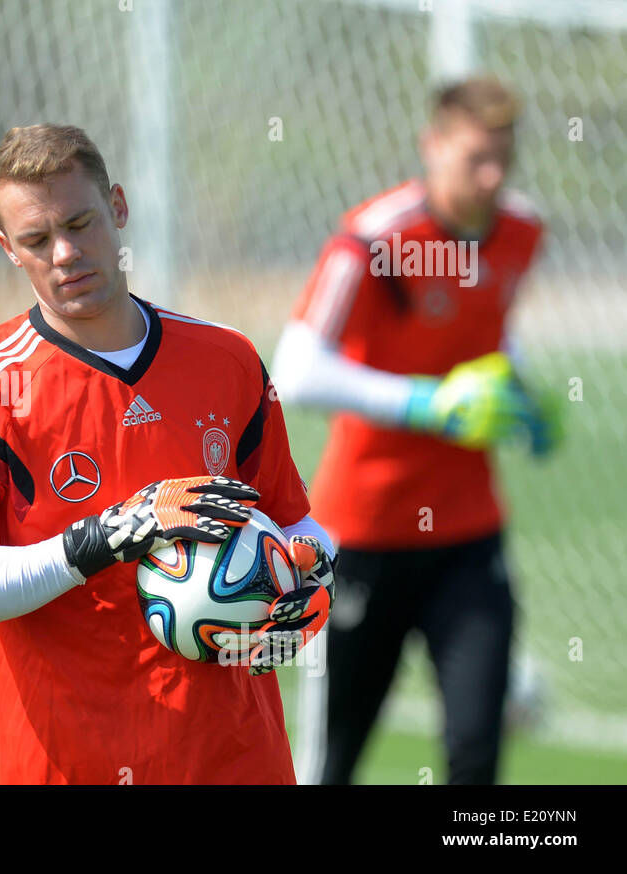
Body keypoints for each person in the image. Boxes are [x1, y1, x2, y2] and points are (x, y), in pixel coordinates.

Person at [0, 124, 336, 784]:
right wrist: (98, 540)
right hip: (67, 765)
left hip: (236, 760)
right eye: (37, 240)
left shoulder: (228, 359)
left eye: (81, 222)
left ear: (119, 207)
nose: (66, 253)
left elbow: (295, 524)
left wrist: (310, 585)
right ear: (7, 250)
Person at [271, 76, 559, 785]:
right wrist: (429, 405)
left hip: (469, 537)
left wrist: (522, 396)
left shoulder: (522, 231)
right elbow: (297, 369)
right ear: (433, 147)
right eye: (474, 159)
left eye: (504, 158)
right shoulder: (373, 240)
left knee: (476, 756)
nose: (492, 178)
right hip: (364, 536)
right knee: (330, 764)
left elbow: (488, 333)